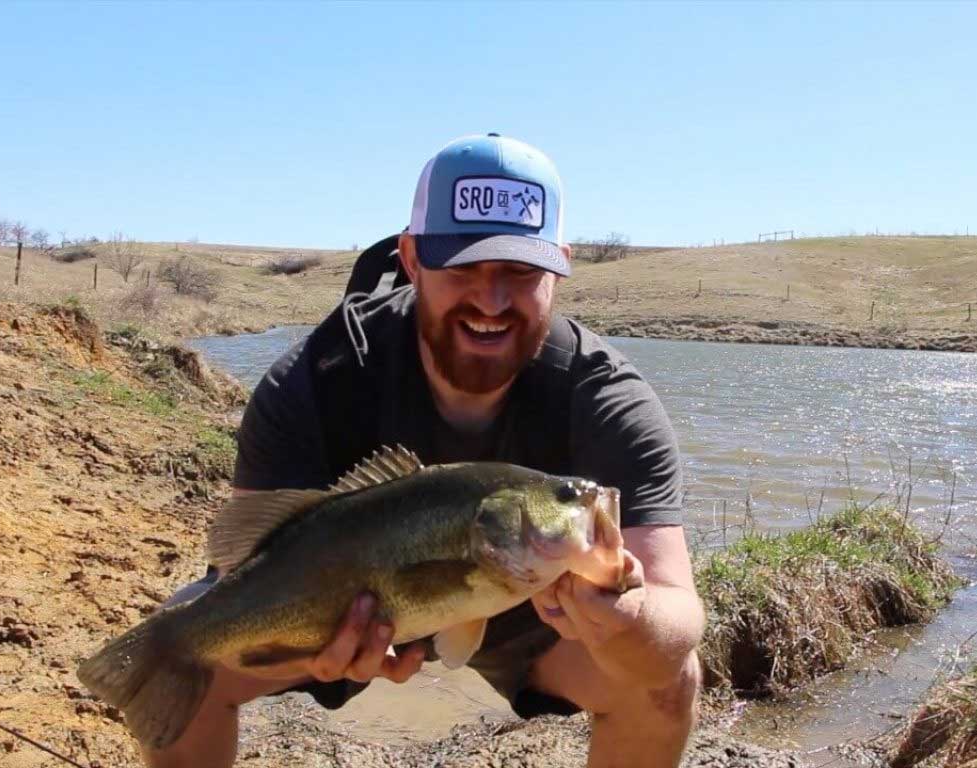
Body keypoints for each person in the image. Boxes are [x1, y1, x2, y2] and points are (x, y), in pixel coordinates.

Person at [145, 134, 705, 768]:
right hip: (336, 604)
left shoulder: (608, 400)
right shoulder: (315, 379)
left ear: (558, 268)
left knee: (667, 684)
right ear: (412, 260)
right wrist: (310, 644)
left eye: (521, 272)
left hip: (535, 610)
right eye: (462, 267)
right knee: (186, 644)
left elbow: (675, 609)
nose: (491, 301)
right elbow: (240, 570)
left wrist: (628, 617)